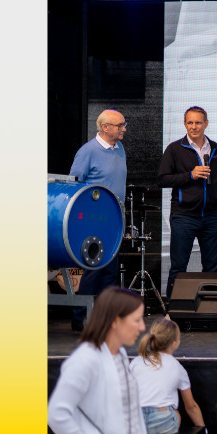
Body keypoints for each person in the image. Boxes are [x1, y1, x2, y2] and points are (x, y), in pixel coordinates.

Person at [48, 287, 148, 434]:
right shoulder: (85, 359)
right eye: (137, 320)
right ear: (115, 321)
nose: (143, 327)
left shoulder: (119, 353)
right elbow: (56, 414)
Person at [158, 106, 217, 298]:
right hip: (184, 216)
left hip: (213, 216)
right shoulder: (174, 148)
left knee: (212, 267)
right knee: (179, 266)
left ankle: (209, 308)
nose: (194, 127)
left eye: (198, 122)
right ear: (184, 124)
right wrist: (191, 175)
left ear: (206, 124)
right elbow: (162, 179)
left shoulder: (214, 147)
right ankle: (174, 310)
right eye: (190, 122)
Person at [68, 109, 128, 332]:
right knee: (94, 268)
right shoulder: (88, 152)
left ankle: (106, 318)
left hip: (114, 219)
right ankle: (81, 318)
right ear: (105, 127)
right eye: (120, 125)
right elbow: (75, 184)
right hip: (94, 218)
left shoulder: (119, 148)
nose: (124, 129)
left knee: (109, 270)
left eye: (123, 124)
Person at [129, 319, 206, 434]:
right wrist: (202, 429)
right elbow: (191, 407)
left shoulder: (136, 362)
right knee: (176, 414)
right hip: (162, 422)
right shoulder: (177, 367)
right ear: (174, 343)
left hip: (135, 421)